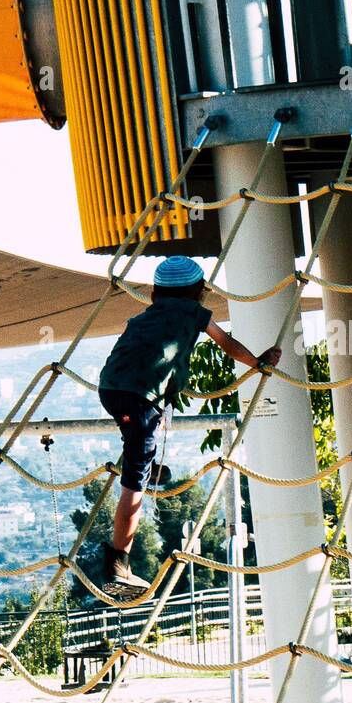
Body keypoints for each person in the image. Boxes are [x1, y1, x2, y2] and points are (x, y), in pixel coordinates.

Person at [97, 255, 281, 595]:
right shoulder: (195, 313)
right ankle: (117, 564)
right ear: (199, 292)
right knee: (133, 484)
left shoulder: (144, 316)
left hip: (111, 389)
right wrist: (258, 361)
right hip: (140, 398)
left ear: (154, 293)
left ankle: (149, 466)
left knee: (138, 441)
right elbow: (228, 345)